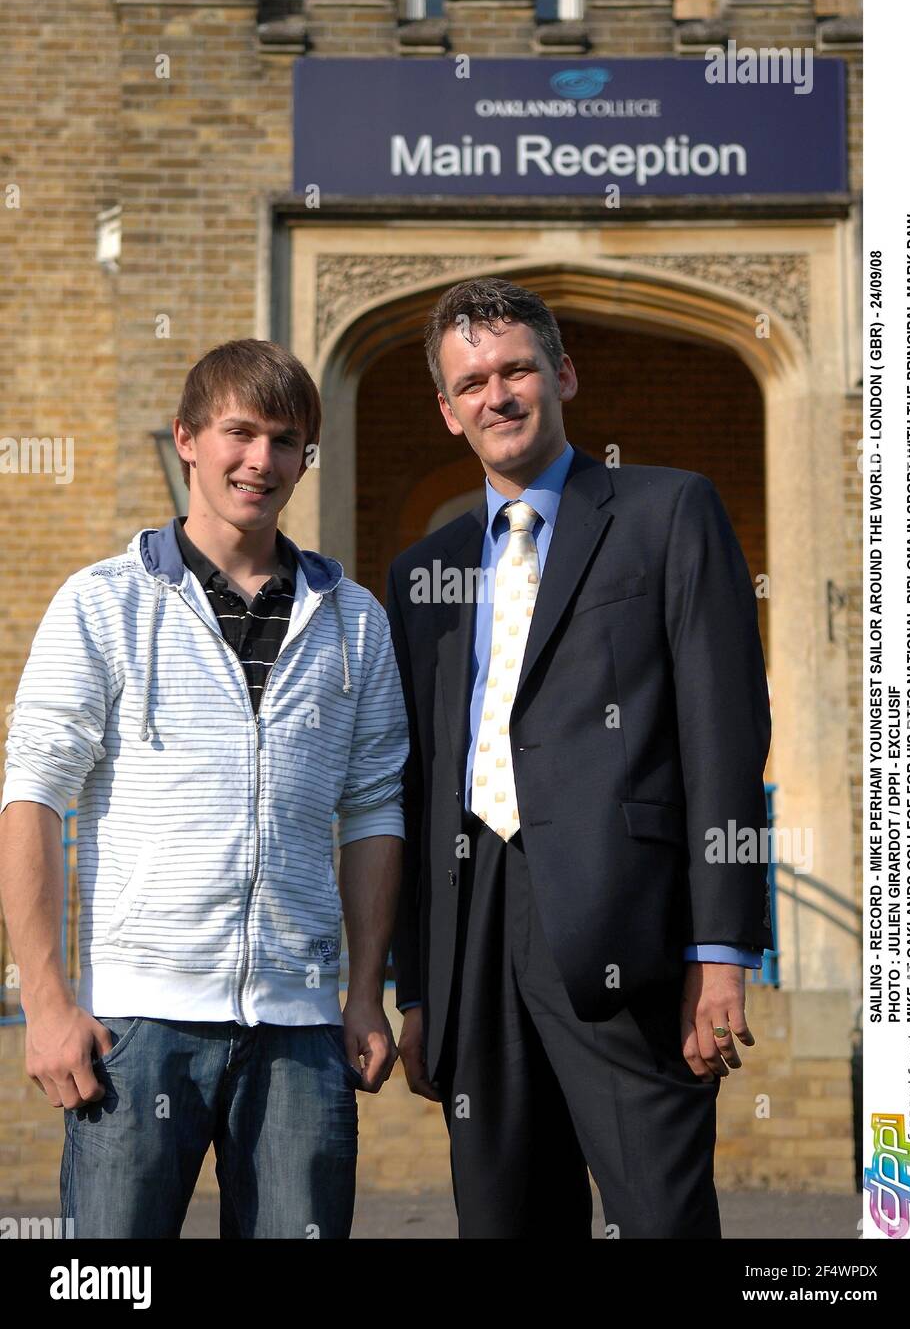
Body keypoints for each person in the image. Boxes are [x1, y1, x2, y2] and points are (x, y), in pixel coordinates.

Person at [386, 279, 774, 1239]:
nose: (498, 395)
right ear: (447, 411)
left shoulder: (667, 512)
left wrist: (719, 949)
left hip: (629, 933)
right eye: (471, 381)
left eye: (517, 368)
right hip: (474, 933)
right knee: (505, 1220)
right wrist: (420, 984)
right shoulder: (420, 574)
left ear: (561, 372)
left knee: (660, 1219)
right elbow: (420, 783)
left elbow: (725, 735)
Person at [0, 338, 408, 1239]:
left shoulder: (354, 622)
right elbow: (32, 795)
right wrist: (47, 1002)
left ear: (307, 457)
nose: (260, 460)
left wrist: (363, 989)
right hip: (135, 1028)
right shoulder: (101, 602)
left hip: (300, 1028)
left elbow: (375, 807)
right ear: (188, 438)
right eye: (239, 432)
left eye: (286, 439)